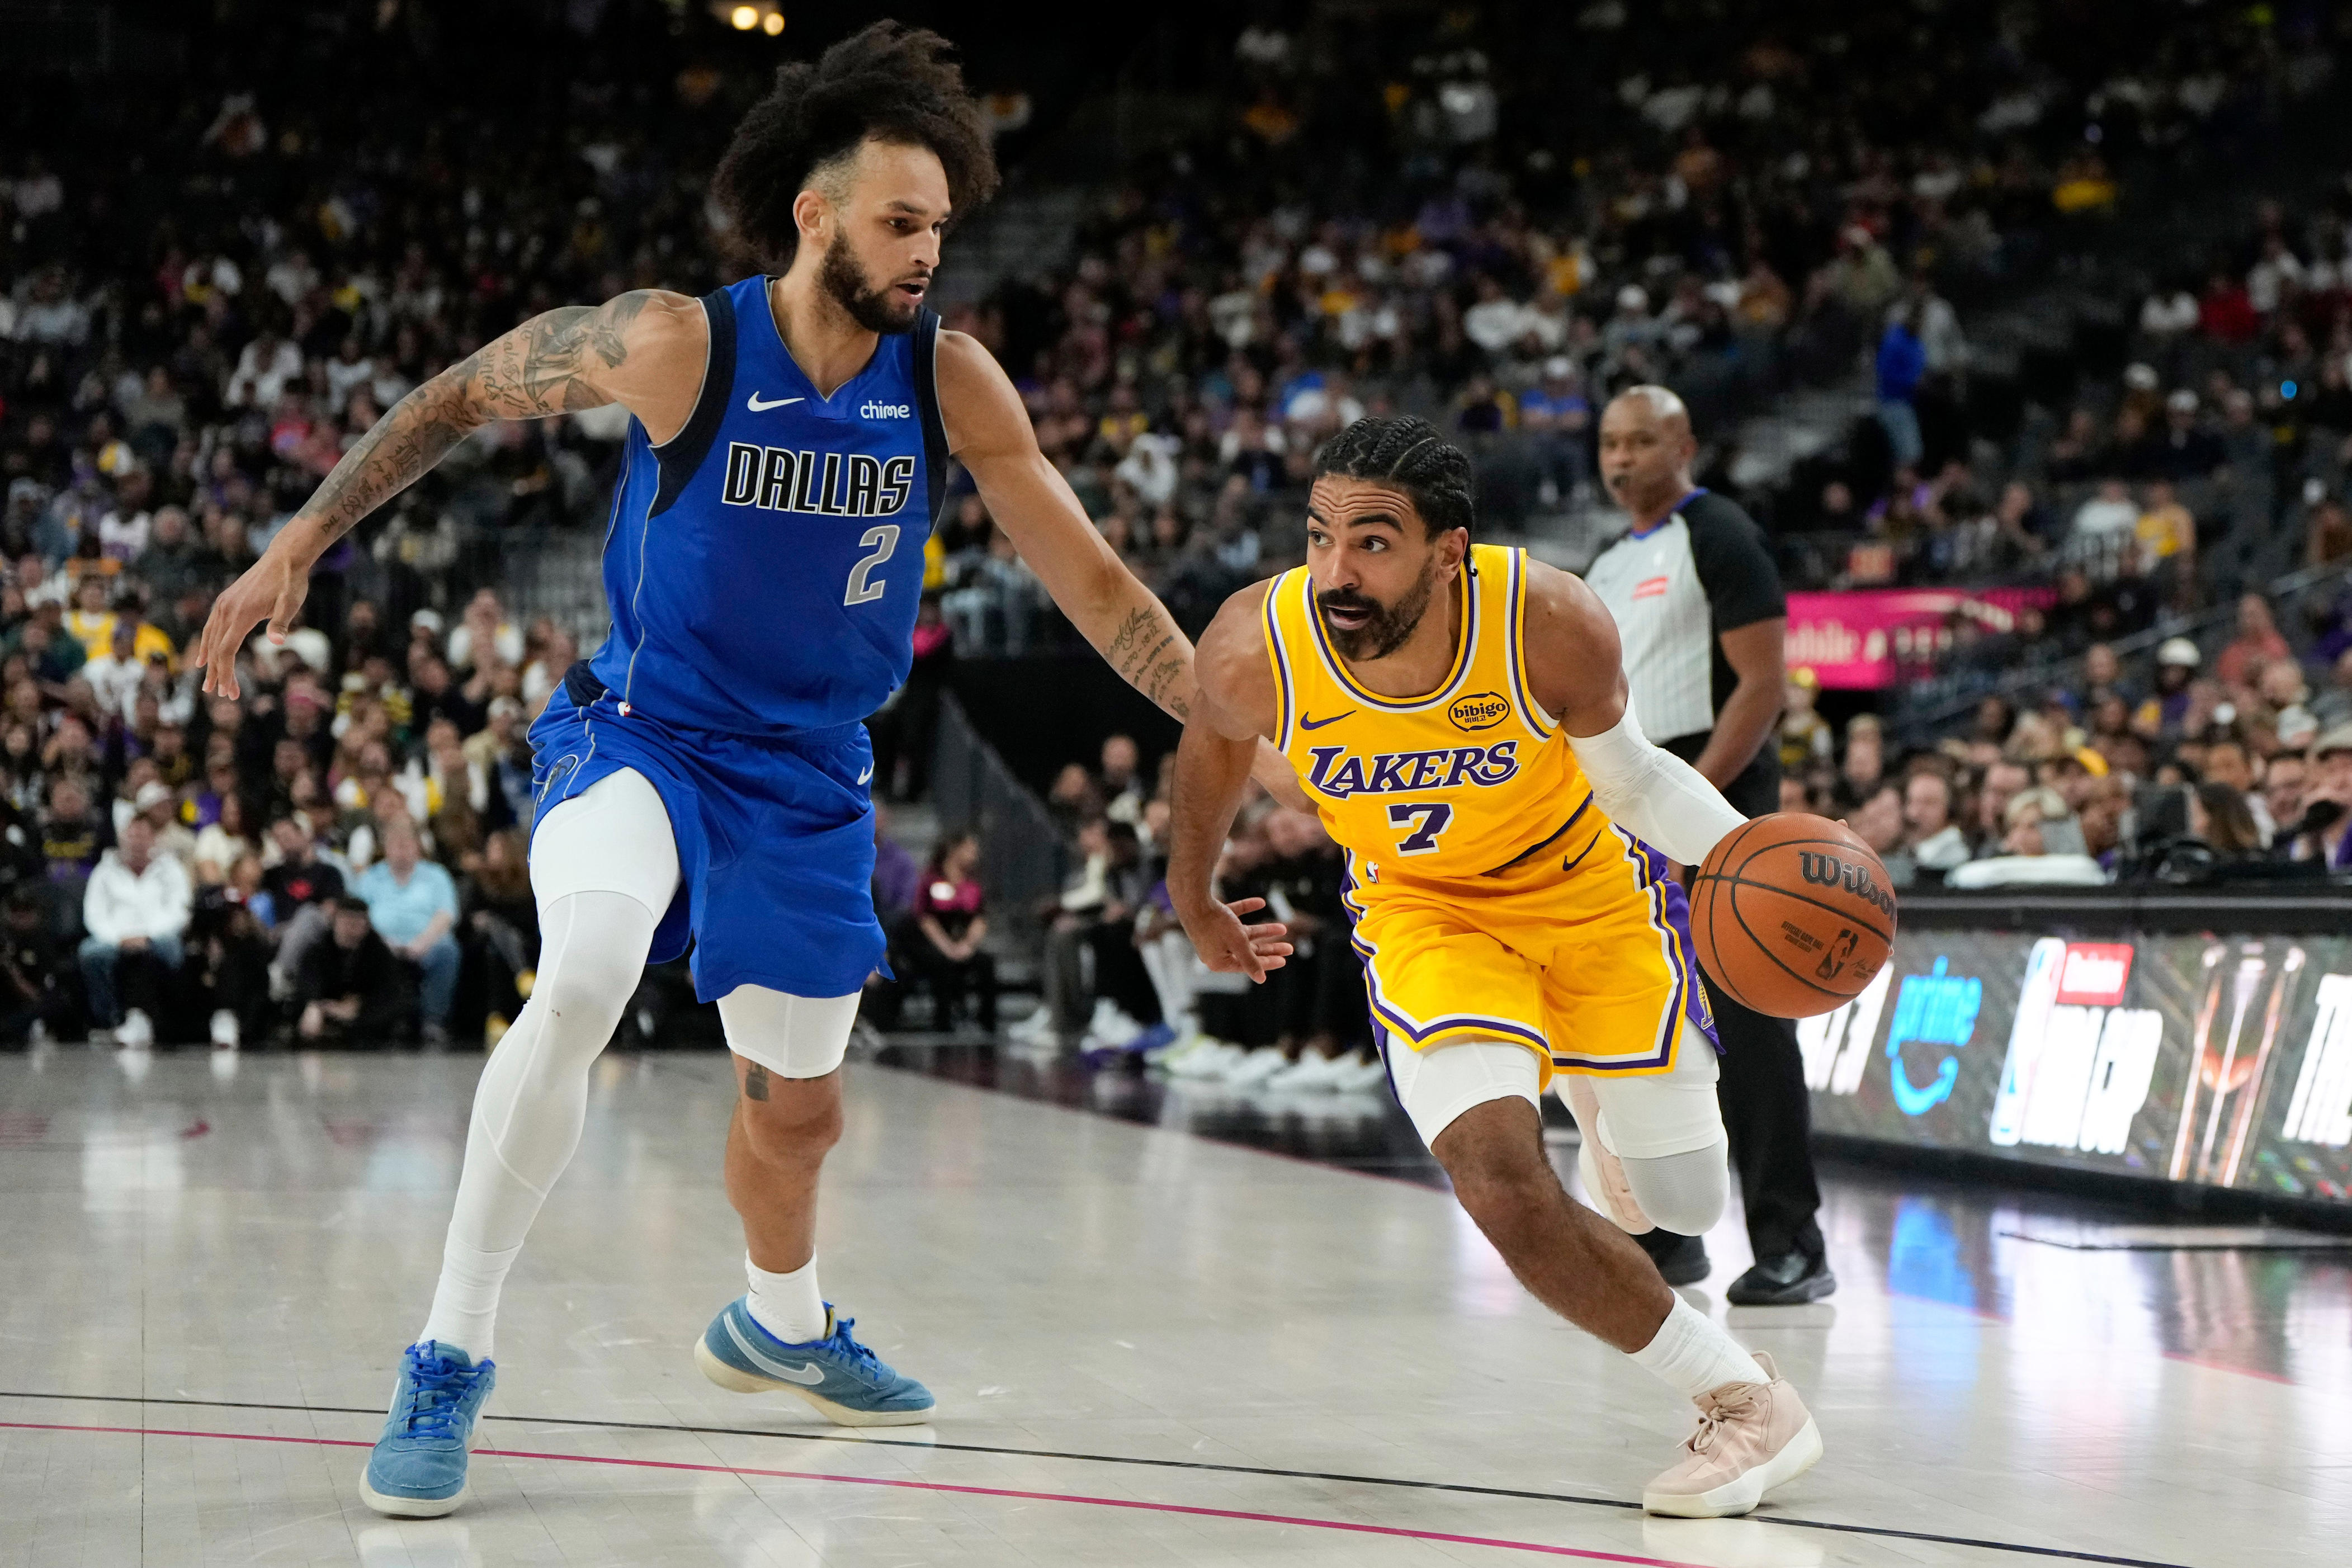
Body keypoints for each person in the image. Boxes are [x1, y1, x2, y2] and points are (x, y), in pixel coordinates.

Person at [189, 22, 1296, 1520]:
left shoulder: (948, 380)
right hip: (643, 735)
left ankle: (778, 1321)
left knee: (797, 1114)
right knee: (580, 976)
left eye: (941, 229)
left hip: (809, 775)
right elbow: (458, 395)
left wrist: (1242, 709)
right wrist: (301, 537)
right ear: (815, 213)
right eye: (902, 222)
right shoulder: (677, 343)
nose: (926, 253)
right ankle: (449, 1349)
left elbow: (1096, 589)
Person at [1170, 416, 1821, 1520]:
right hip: (1428, 916)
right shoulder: (1256, 639)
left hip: (1586, 896)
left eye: (1373, 543)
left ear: (1448, 550)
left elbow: (1633, 779)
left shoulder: (1549, 620)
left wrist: (1754, 861)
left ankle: (1601, 1098)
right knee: (1499, 1180)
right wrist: (1190, 890)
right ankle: (1744, 1399)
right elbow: (1213, 742)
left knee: (1684, 1200)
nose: (1337, 569)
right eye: (1321, 537)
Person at [1581, 386, 1835, 1307]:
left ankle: (1790, 1243)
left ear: (1682, 443)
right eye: (1609, 443)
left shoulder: (1720, 531)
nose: (1621, 458)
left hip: (1707, 802)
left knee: (1749, 1027)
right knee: (1639, 1034)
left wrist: (1694, 810)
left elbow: (1762, 686)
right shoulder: (1604, 561)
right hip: (1620, 805)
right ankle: (1666, 1235)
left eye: (1641, 441)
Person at [79, 815, 192, 1049]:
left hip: (158, 936)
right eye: (132, 836)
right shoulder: (104, 870)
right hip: (115, 938)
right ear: (122, 839)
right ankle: (110, 1022)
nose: (137, 842)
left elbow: (181, 910)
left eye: (143, 836)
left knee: (172, 948)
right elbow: (94, 914)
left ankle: (162, 1020)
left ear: (153, 839)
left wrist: (147, 936)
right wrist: (120, 939)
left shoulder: (170, 868)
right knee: (90, 952)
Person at [352, 816, 461, 1043]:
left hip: (426, 943)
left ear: (418, 846)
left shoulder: (436, 875)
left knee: (448, 951)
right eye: (395, 845)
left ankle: (433, 1020)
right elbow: (358, 916)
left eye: (407, 844)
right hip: (381, 944)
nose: (401, 850)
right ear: (385, 848)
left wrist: (423, 942)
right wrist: (383, 942)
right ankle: (382, 1021)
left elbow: (446, 914)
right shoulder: (371, 878)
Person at [902, 830, 995, 1031]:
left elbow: (980, 918)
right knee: (942, 965)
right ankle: (943, 1023)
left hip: (962, 942)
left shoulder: (973, 884)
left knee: (986, 963)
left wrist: (968, 945)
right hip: (934, 943)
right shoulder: (930, 880)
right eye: (970, 850)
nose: (975, 855)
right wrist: (947, 948)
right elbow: (925, 919)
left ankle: (988, 1023)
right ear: (954, 850)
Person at [296, 895, 411, 1042]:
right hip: (326, 1009)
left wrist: (359, 1007)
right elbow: (307, 981)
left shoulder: (378, 952)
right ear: (335, 920)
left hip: (364, 1017)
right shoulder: (319, 949)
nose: (353, 927)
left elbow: (390, 989)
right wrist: (316, 1005)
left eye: (360, 921)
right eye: (348, 920)